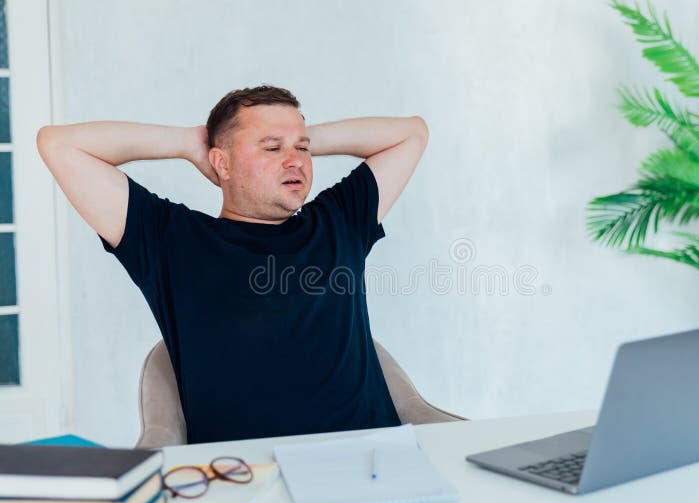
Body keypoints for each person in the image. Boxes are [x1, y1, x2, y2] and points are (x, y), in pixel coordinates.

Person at [36, 85, 429, 444]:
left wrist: (299, 140)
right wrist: (190, 142)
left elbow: (412, 133)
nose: (295, 161)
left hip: (371, 466)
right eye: (271, 148)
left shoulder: (340, 220)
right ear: (221, 163)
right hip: (244, 479)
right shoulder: (170, 239)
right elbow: (58, 145)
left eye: (302, 149)